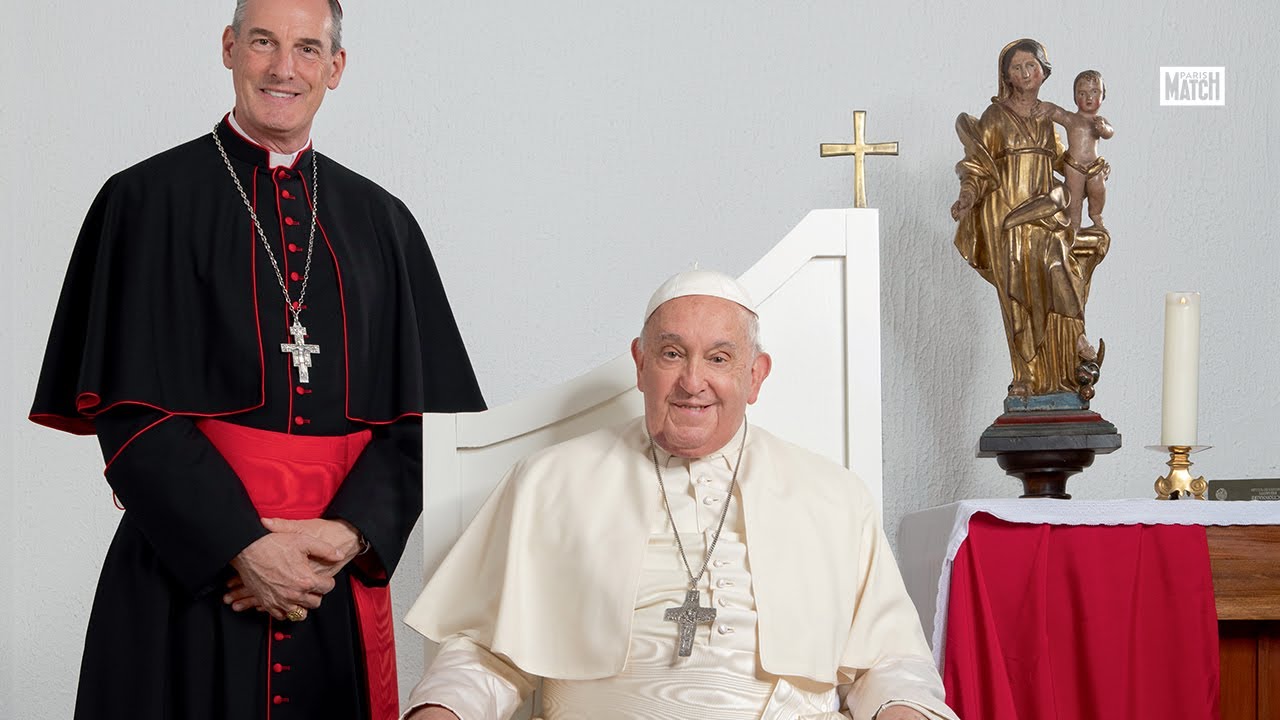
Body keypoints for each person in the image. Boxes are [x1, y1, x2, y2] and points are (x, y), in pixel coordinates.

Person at [28, 1, 485, 718]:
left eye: (308, 49)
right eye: (264, 43)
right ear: (229, 48)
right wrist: (240, 544)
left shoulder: (383, 222)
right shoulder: (146, 201)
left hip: (329, 584)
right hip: (186, 580)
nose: (283, 68)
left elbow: (429, 421)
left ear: (335, 69)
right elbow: (126, 412)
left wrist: (347, 533)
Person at [400, 270, 958, 720]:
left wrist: (901, 709)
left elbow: (888, 662)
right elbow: (486, 653)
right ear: (641, 365)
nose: (693, 381)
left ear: (756, 376)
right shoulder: (548, 482)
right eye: (672, 354)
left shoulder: (834, 497)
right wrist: (443, 709)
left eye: (719, 358)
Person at [950, 38, 1108, 401]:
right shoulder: (995, 118)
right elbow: (977, 165)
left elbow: (1070, 161)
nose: (1025, 73)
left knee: (1058, 261)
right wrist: (967, 197)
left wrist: (1094, 165)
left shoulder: (1049, 119)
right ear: (1006, 75)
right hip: (1006, 217)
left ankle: (1074, 352)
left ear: (1043, 71)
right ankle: (1026, 375)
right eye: (1017, 68)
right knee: (1016, 296)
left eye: (1031, 66)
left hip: (1044, 213)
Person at [1036, 70, 1114, 230]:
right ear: (1075, 97)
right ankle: (1074, 225)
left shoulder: (1100, 121)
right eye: (1082, 93)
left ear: (1103, 95)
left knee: (1098, 191)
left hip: (1095, 165)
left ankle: (1096, 215)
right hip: (1074, 166)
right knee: (1074, 197)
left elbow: (1109, 133)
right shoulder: (1072, 119)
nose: (1089, 97)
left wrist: (1103, 128)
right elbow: (1058, 113)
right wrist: (1047, 107)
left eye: (1094, 91)